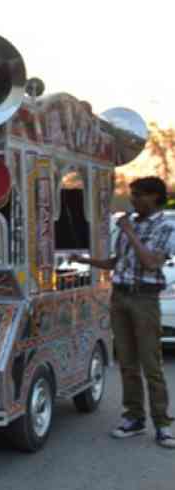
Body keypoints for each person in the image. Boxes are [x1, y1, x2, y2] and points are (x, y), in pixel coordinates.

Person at [71, 176, 175, 448]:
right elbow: (116, 262)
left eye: (139, 194)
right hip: (121, 297)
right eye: (132, 194)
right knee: (127, 364)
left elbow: (152, 262)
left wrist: (129, 231)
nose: (133, 199)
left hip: (144, 299)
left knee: (151, 366)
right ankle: (134, 419)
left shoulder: (166, 226)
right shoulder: (133, 223)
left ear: (154, 196)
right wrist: (84, 260)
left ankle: (162, 425)